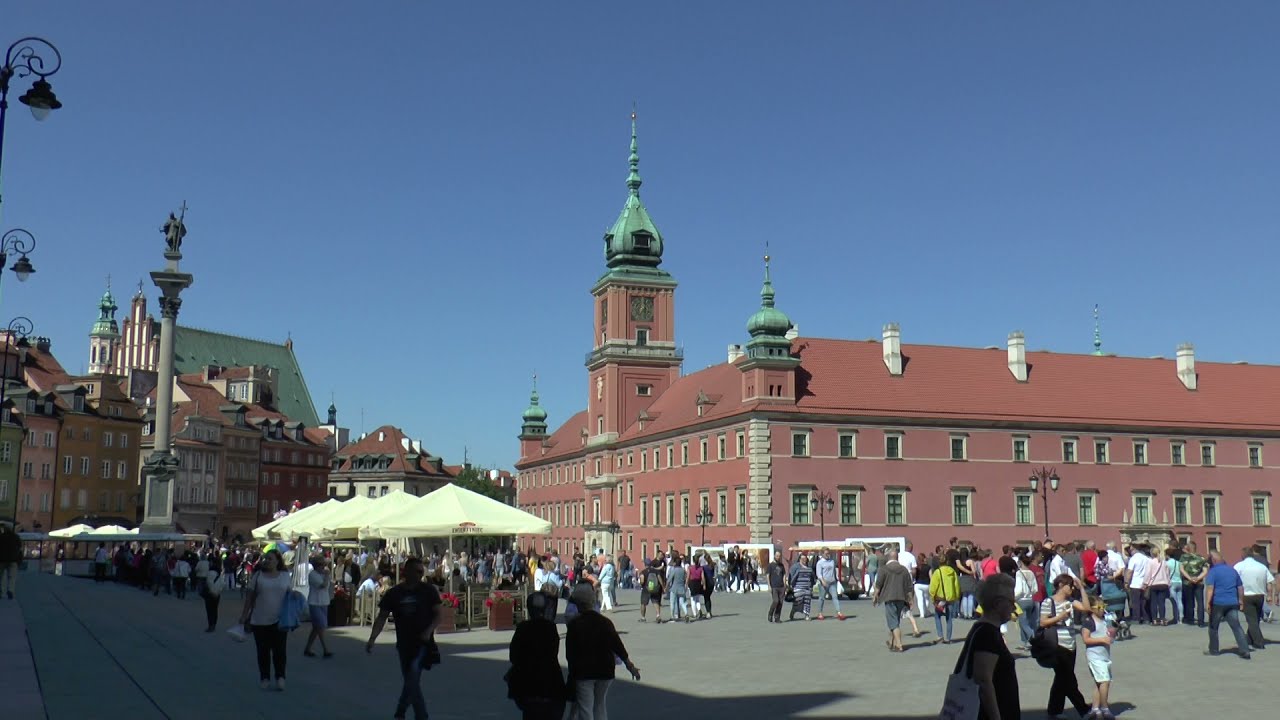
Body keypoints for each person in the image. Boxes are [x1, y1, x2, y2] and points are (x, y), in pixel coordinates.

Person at [367, 557, 442, 720]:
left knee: (413, 676)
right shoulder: (395, 593)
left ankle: (421, 715)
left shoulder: (428, 590)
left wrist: (429, 631)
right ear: (406, 571)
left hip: (423, 643)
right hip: (404, 644)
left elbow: (438, 614)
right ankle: (401, 710)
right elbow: (381, 617)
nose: (420, 574)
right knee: (411, 679)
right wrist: (372, 639)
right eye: (417, 571)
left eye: (422, 571)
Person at [565, 583, 640, 720]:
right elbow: (617, 646)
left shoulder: (574, 625)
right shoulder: (605, 622)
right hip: (605, 670)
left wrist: (573, 672)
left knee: (585, 708)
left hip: (583, 672)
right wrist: (630, 666)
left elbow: (570, 653)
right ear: (593, 601)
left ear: (578, 604)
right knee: (599, 705)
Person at [957, 573, 1020, 720]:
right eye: (1011, 601)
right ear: (998, 604)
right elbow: (983, 680)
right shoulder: (987, 634)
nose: (1013, 607)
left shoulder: (983, 629)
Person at [237, 549, 293, 691]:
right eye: (265, 558)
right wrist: (244, 615)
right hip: (259, 619)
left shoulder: (285, 576)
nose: (266, 561)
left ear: (277, 561)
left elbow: (290, 595)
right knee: (263, 651)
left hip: (280, 620)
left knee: (280, 650)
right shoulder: (258, 576)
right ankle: (265, 677)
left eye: (270, 559)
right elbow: (250, 597)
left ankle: (280, 677)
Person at [507, 592, 567, 720]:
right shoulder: (550, 627)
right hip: (551, 681)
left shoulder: (523, 627)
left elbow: (513, 655)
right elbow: (554, 651)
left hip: (528, 684)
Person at [1039, 574, 1092, 719]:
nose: (1072, 588)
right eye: (1070, 586)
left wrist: (1081, 589)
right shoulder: (1048, 602)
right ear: (1061, 585)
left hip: (1071, 645)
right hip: (1057, 645)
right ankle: (1083, 710)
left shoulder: (1071, 601)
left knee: (1061, 679)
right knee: (1068, 679)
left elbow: (1086, 608)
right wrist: (1059, 617)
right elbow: (1043, 622)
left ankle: (1054, 710)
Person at [1204, 550, 1251, 659]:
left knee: (1213, 627)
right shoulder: (1232, 570)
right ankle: (1245, 650)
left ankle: (1214, 650)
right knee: (1236, 627)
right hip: (1232, 603)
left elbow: (1210, 588)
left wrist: (1207, 603)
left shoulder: (1213, 571)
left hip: (1218, 603)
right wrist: (1241, 601)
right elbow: (1240, 587)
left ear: (1213, 560)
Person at [1080, 597, 1115, 719]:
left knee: (1099, 682)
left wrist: (1113, 631)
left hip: (1105, 655)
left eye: (1104, 607)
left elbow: (1110, 635)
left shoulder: (1105, 620)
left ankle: (1095, 708)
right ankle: (1105, 708)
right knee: (1105, 681)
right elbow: (1085, 639)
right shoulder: (1089, 621)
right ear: (1092, 608)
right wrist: (1102, 639)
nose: (1102, 610)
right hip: (1094, 656)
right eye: (1099, 607)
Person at [1233, 544, 1274, 650]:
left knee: (1251, 620)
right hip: (1260, 595)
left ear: (1243, 555)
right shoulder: (1262, 566)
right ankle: (1250, 638)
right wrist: (1269, 595)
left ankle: (1258, 642)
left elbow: (1233, 580)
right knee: (1254, 618)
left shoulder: (1239, 566)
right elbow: (1270, 582)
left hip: (1246, 595)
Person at [872, 550, 914, 652]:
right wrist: (911, 599)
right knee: (895, 620)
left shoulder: (884, 569)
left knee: (893, 622)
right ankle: (891, 641)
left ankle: (899, 645)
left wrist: (875, 596)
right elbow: (909, 586)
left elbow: (878, 585)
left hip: (889, 598)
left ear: (888, 558)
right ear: (897, 558)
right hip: (901, 598)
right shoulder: (904, 570)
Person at [304, 556, 335, 658]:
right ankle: (325, 649)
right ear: (316, 566)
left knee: (316, 627)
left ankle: (308, 648)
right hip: (315, 603)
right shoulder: (312, 575)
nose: (323, 567)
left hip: (324, 602)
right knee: (321, 625)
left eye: (324, 565)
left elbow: (329, 586)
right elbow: (323, 585)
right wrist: (326, 576)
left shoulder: (323, 574)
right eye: (321, 565)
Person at [930, 550, 961, 644]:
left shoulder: (937, 572)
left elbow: (933, 587)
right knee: (949, 618)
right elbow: (957, 585)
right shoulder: (952, 571)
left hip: (940, 598)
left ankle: (940, 635)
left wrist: (932, 598)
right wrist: (956, 596)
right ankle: (948, 638)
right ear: (947, 561)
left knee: (937, 616)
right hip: (951, 597)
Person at [1180, 542, 1208, 626]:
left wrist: (1190, 578)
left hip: (1187, 582)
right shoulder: (1201, 558)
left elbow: (1181, 569)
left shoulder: (1183, 557)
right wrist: (1198, 578)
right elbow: (1205, 571)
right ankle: (1201, 621)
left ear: (1188, 548)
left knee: (1189, 601)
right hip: (1199, 582)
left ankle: (1190, 619)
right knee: (1200, 602)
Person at [814, 549, 847, 621]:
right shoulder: (820, 563)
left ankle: (839, 612)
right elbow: (818, 574)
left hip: (832, 582)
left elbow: (834, 571)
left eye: (828, 553)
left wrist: (836, 579)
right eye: (826, 553)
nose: (828, 555)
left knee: (835, 597)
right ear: (822, 554)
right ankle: (820, 613)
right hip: (823, 582)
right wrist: (822, 581)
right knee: (822, 598)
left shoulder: (832, 561)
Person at [788, 551, 815, 621]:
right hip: (798, 587)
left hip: (807, 588)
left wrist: (811, 586)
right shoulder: (795, 567)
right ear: (799, 559)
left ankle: (807, 615)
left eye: (805, 559)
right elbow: (792, 577)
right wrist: (790, 586)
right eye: (802, 559)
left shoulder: (809, 568)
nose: (803, 560)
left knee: (807, 602)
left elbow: (813, 578)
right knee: (797, 602)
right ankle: (793, 612)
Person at [639, 558, 665, 623]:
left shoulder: (643, 572)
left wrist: (641, 584)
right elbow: (660, 579)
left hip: (646, 589)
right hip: (655, 589)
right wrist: (663, 587)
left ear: (645, 564)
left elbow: (642, 580)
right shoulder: (655, 571)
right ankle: (658, 615)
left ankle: (643, 617)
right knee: (656, 602)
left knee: (643, 603)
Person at [202, 562, 224, 632]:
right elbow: (222, 584)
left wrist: (211, 591)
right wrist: (218, 592)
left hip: (209, 594)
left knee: (209, 610)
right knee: (215, 610)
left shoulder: (209, 573)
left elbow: (208, 583)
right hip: (217, 594)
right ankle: (214, 624)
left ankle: (210, 625)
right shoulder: (219, 575)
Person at [766, 553, 787, 623]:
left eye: (779, 556)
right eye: (777, 556)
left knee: (780, 602)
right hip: (774, 586)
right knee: (776, 601)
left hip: (781, 586)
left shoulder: (781, 565)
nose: (778, 557)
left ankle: (777, 617)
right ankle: (770, 614)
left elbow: (784, 574)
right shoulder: (770, 565)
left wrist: (785, 585)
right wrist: (769, 586)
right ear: (774, 556)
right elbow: (768, 575)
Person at [0, 525, 19, 599]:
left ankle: (0, 591)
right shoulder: (16, 537)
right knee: (12, 577)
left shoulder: (1, 537)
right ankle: (10, 590)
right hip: (13, 560)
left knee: (0, 576)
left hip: (1, 560)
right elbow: (19, 547)